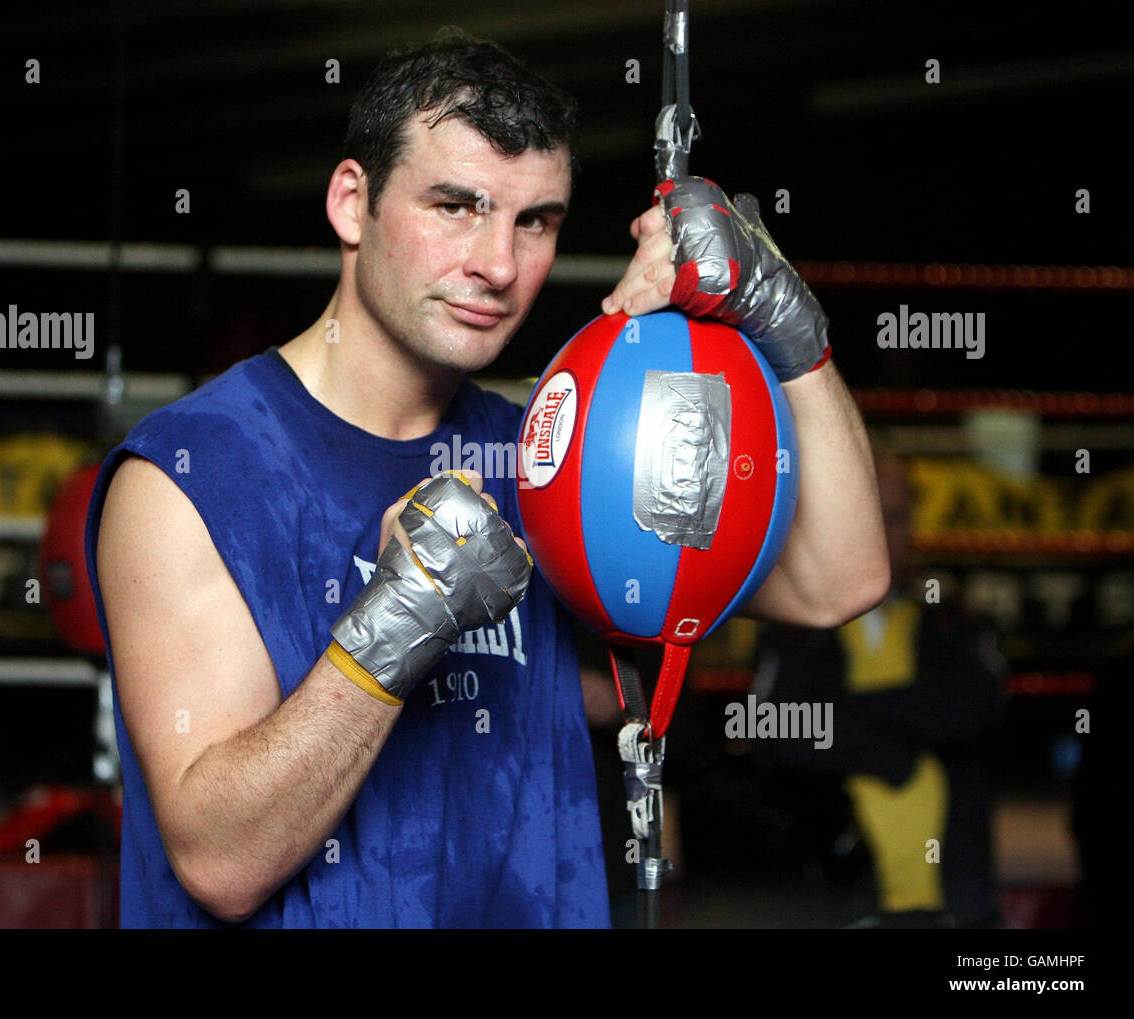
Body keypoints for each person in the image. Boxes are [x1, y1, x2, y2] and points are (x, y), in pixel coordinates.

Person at [84, 27, 889, 928]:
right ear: (353, 203)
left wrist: (783, 321)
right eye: (456, 205)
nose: (498, 265)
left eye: (533, 220)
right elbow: (220, 858)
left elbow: (838, 580)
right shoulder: (193, 473)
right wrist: (400, 621)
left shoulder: (554, 466)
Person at [751, 443, 1006, 927]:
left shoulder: (947, 614)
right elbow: (776, 733)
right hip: (839, 902)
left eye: (897, 516)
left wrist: (853, 717)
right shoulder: (796, 620)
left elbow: (978, 711)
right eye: (872, 515)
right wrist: (901, 741)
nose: (889, 534)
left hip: (954, 904)